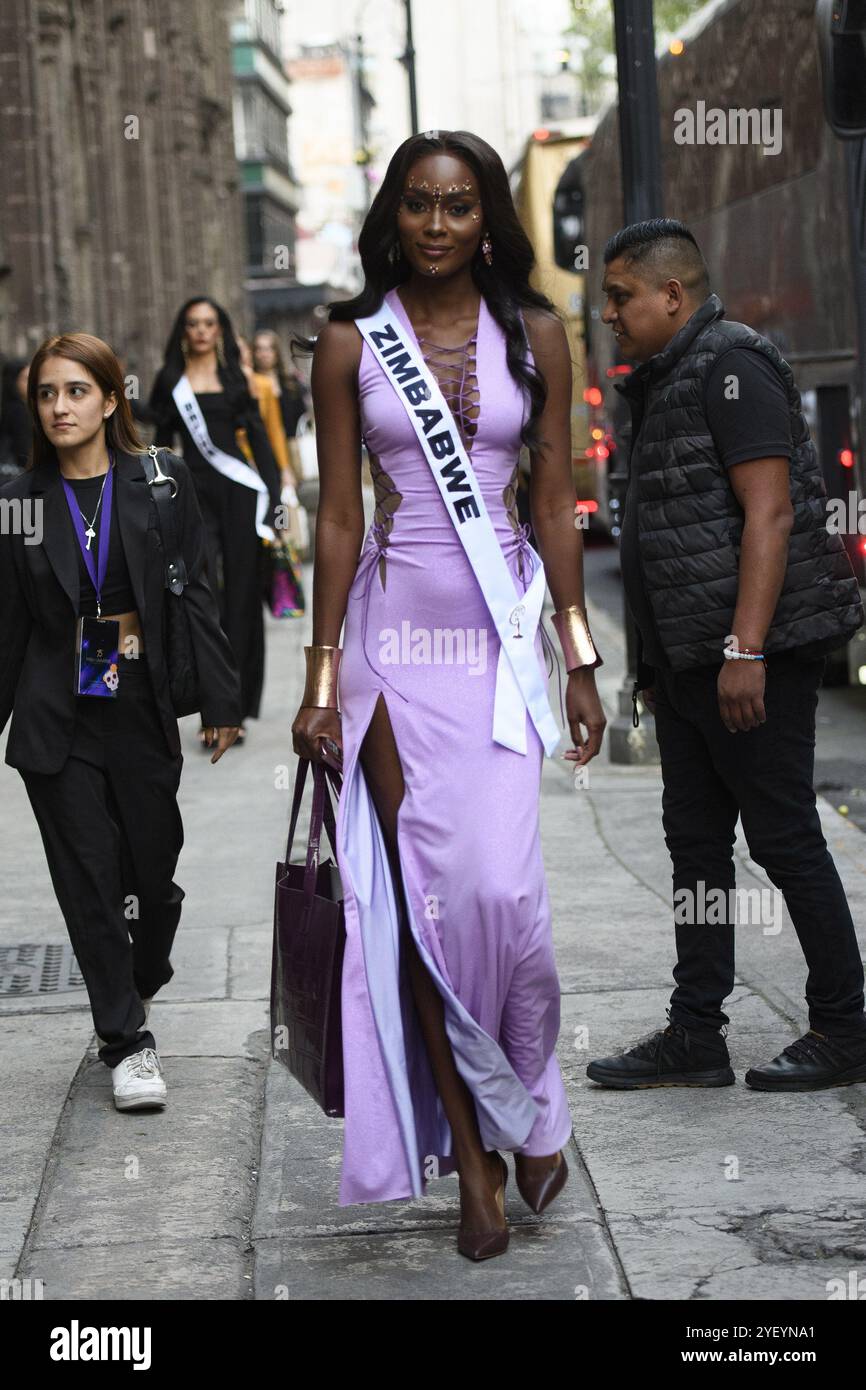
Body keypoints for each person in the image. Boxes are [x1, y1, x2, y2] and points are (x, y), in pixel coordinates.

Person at [290, 129, 606, 1260]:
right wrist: (321, 679)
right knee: (419, 911)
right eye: (418, 204)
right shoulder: (347, 340)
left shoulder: (535, 331)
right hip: (392, 652)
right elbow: (336, 517)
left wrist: (576, 655)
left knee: (504, 906)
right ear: (393, 214)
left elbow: (553, 489)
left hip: (496, 648)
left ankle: (529, 1106)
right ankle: (474, 1163)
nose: (435, 224)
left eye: (458, 205)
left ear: (486, 220)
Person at [586, 218, 866, 1094]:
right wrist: (658, 670)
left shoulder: (734, 364)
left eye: (621, 297)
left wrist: (744, 648)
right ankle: (696, 1033)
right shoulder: (669, 376)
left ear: (673, 295)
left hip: (752, 657)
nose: (608, 315)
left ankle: (846, 1025)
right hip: (691, 666)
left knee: (783, 837)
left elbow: (770, 514)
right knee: (696, 847)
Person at [0, 332, 242, 1110]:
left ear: (110, 399)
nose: (60, 407)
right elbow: (5, 625)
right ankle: (126, 1042)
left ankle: (139, 978)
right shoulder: (19, 503)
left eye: (75, 391)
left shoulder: (161, 481)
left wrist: (222, 701)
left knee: (151, 870)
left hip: (134, 699)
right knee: (89, 877)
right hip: (53, 711)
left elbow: (196, 593)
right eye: (46, 394)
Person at [149, 298, 284, 744]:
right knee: (203, 600)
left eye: (209, 323)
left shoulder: (234, 379)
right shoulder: (170, 381)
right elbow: (160, 447)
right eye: (193, 324)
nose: (202, 331)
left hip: (240, 494)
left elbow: (260, 440)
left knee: (243, 595)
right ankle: (213, 708)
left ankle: (238, 710)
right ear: (183, 331)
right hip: (192, 496)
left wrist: (274, 498)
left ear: (220, 330)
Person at [0, 358, 32, 476]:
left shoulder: (7, 407)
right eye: (26, 379)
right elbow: (23, 450)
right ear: (14, 381)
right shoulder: (18, 411)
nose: (32, 384)